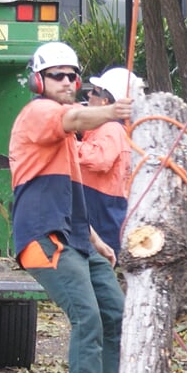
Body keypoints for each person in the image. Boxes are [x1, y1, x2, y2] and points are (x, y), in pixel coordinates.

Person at [10, 41, 131, 373]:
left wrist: (97, 241)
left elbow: (74, 196)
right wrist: (114, 113)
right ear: (38, 81)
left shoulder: (69, 140)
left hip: (78, 239)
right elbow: (76, 115)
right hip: (43, 238)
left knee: (116, 314)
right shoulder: (40, 113)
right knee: (88, 317)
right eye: (56, 75)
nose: (66, 82)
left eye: (70, 76)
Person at [78, 67, 142, 258]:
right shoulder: (108, 128)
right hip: (103, 213)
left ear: (106, 101)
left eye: (95, 92)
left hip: (103, 217)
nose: (89, 94)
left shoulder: (112, 128)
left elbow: (99, 160)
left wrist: (67, 147)